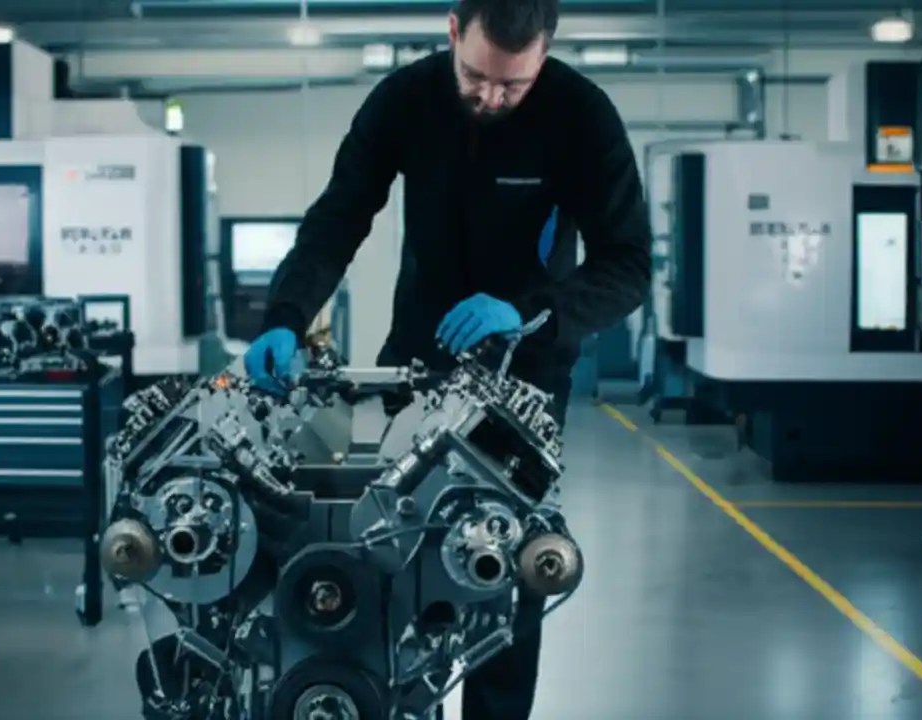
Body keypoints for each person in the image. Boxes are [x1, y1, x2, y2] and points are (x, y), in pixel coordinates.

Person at [243, 0, 653, 717]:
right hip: (415, 371)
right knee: (390, 557)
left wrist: (534, 315)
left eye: (513, 87)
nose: (491, 97)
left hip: (523, 382)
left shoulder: (583, 116)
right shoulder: (404, 100)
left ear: (546, 53)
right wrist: (283, 315)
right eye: (477, 77)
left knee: (505, 566)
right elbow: (340, 216)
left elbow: (628, 265)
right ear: (453, 31)